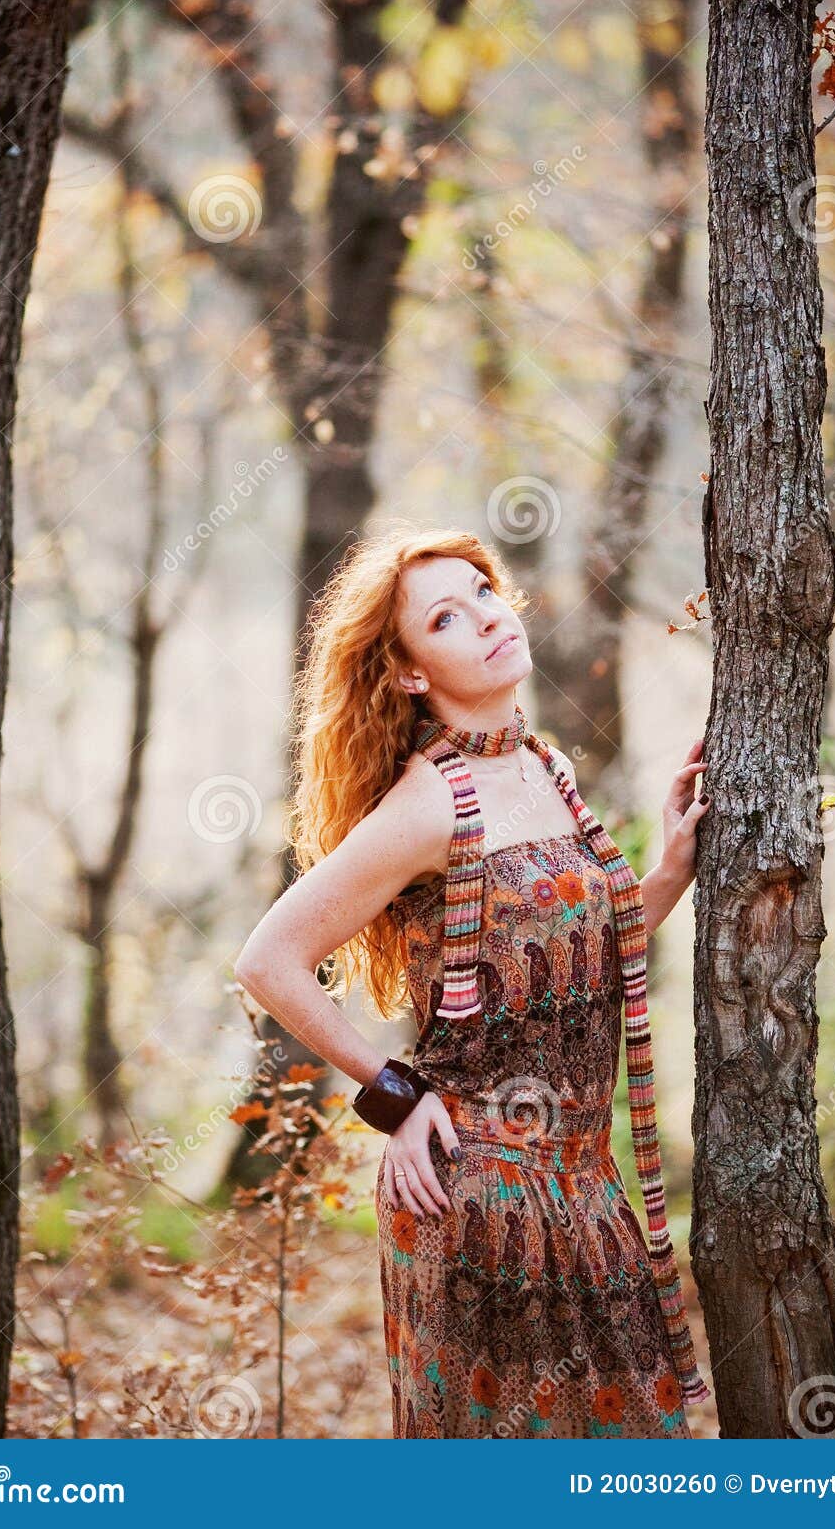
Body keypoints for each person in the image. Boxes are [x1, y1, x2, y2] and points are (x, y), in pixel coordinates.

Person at [235, 524, 712, 1438]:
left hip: (585, 1183)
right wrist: (395, 1097)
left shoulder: (546, 767)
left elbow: (569, 965)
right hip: (477, 1193)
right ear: (411, 673)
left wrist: (666, 874)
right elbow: (267, 960)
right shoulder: (426, 804)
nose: (489, 618)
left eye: (484, 593)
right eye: (446, 618)